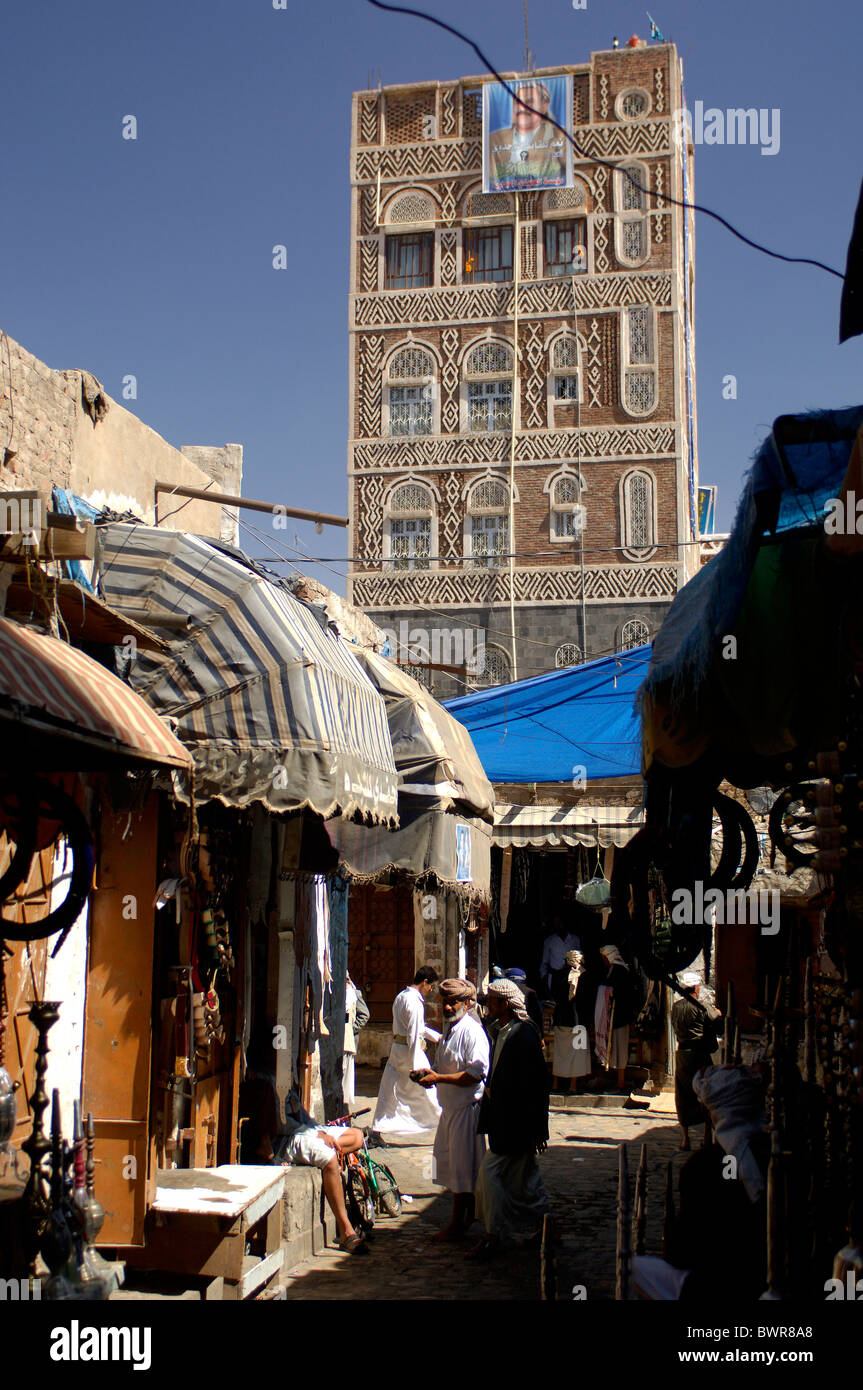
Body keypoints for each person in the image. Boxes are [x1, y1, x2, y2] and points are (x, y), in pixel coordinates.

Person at [470, 979, 550, 1258]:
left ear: (504, 1004)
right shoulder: (502, 1031)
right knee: (526, 1182)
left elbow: (537, 1085)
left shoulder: (524, 1034)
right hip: (506, 1121)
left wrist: (537, 1128)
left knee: (490, 1174)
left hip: (517, 1122)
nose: (487, 1006)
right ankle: (545, 1231)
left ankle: (494, 1235)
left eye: (492, 1001)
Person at [415, 978, 490, 1242]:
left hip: (466, 1110)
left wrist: (439, 1079)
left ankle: (457, 1224)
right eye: (445, 1002)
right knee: (454, 1167)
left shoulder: (472, 1031)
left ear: (467, 1003)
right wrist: (429, 1074)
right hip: (450, 1109)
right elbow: (447, 1066)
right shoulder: (450, 1029)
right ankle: (467, 1217)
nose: (448, 1007)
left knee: (462, 1170)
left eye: (453, 1002)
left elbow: (475, 1073)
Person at [278, 1088, 369, 1255]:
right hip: (288, 1136)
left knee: (357, 1136)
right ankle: (346, 1231)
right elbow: (279, 1123)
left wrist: (318, 1132)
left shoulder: (287, 1074)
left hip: (307, 1130)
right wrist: (316, 1135)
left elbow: (301, 1114)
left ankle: (328, 1151)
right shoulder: (266, 1080)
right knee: (329, 1158)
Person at [371, 966, 441, 1144]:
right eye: (431, 986)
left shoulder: (401, 996)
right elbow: (414, 1032)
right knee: (428, 1092)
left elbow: (415, 1028)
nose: (430, 990)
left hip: (398, 1049)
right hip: (411, 1051)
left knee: (390, 1089)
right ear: (425, 982)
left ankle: (379, 1126)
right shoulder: (415, 1002)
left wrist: (435, 1037)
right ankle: (443, 1123)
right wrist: (417, 1065)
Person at [671, 972, 722, 1151]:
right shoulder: (702, 1006)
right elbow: (717, 1023)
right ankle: (707, 1136)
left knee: (683, 1094)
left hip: (682, 1054)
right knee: (705, 1093)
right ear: (696, 987)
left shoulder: (675, 1008)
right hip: (699, 1054)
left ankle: (685, 1139)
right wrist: (718, 1014)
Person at [487, 80, 567, 190]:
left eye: (529, 102)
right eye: (518, 102)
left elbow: (569, 172)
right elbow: (490, 178)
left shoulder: (560, 136)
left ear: (544, 106)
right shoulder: (494, 140)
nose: (522, 108)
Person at [551, 948, 594, 1094]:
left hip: (560, 1020)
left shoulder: (558, 975)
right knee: (578, 1053)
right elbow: (588, 1000)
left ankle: (556, 1083)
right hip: (578, 1022)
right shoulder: (585, 976)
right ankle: (573, 1085)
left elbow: (554, 994)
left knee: (560, 1052)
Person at [594, 943, 635, 1092]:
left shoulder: (620, 971)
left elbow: (623, 993)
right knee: (614, 1048)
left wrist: (609, 992)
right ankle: (616, 1080)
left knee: (620, 1048)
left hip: (621, 1017)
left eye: (605, 957)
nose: (604, 960)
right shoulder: (611, 970)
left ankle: (621, 1082)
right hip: (613, 1016)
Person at [342, 972, 369, 1111]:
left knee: (345, 1075)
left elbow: (364, 1014)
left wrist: (351, 1028)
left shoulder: (354, 994)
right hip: (337, 1042)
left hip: (348, 1041)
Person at [539, 914, 581, 997]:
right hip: (555, 978)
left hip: (571, 977)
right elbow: (544, 962)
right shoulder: (550, 941)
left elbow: (580, 958)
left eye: (560, 923)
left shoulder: (574, 939)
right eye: (556, 924)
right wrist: (544, 977)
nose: (558, 926)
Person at [504, 966, 544, 1031]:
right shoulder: (530, 991)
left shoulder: (505, 991)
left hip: (509, 1028)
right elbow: (537, 1016)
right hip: (527, 1028)